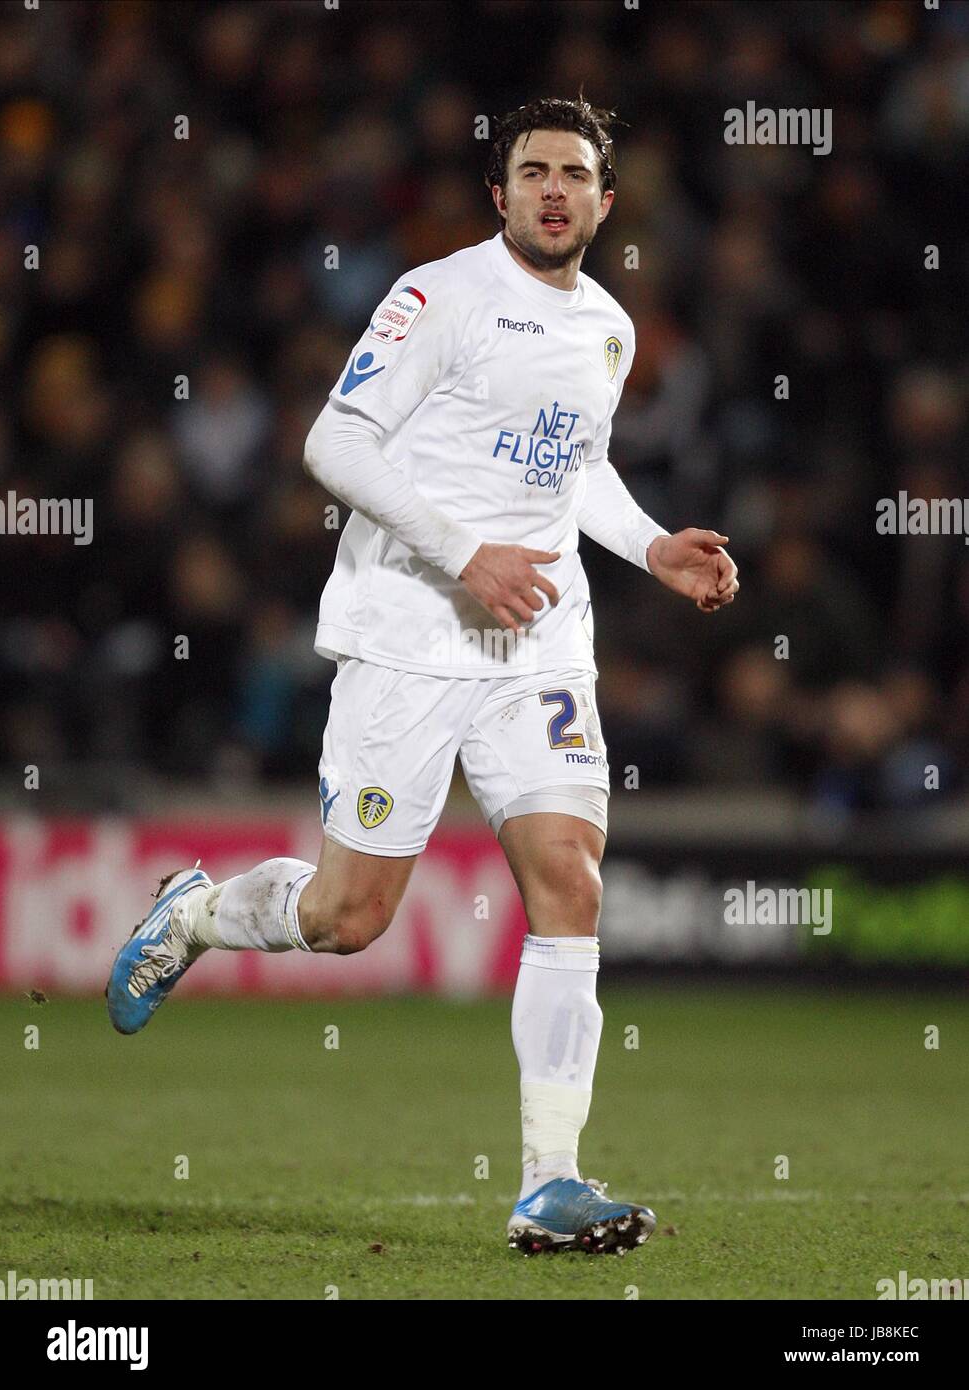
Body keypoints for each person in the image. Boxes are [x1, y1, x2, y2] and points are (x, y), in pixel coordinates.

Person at [107, 97, 738, 1257]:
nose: (554, 188)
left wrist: (651, 546)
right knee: (349, 918)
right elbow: (333, 444)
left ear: (606, 199)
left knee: (570, 876)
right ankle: (195, 912)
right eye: (533, 170)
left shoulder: (608, 328)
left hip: (539, 637)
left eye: (576, 173)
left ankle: (551, 1180)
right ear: (499, 195)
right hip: (413, 631)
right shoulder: (440, 296)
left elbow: (576, 469)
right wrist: (463, 552)